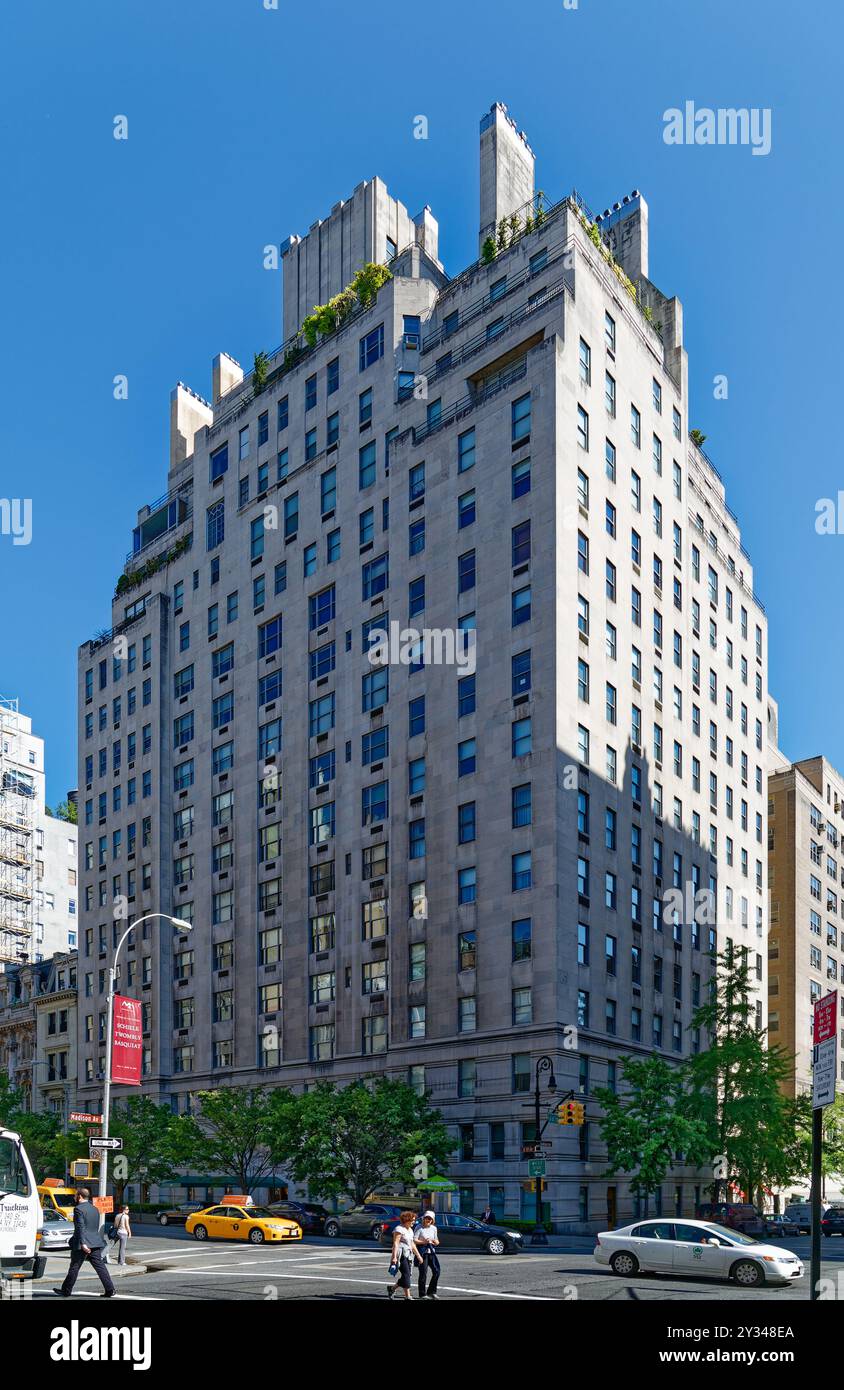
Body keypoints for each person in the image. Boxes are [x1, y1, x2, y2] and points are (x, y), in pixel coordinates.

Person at [54, 1188, 115, 1299]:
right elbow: (93, 1227)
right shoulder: (95, 1209)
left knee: (74, 1267)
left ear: (80, 1196)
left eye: (75, 1195)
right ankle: (110, 1289)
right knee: (100, 1267)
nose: (74, 1197)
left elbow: (80, 1227)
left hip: (82, 1244)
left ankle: (66, 1291)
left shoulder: (78, 1209)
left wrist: (83, 1243)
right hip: (95, 1242)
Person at [387, 1210, 423, 1301]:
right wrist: (394, 1257)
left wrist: (418, 1255)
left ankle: (392, 1289)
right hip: (401, 1255)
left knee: (406, 1276)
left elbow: (412, 1244)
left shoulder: (410, 1230)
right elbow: (395, 1243)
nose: (414, 1222)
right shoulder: (399, 1229)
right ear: (407, 1220)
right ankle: (407, 1296)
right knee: (406, 1275)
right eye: (413, 1220)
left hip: (409, 1255)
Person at [415, 1211, 441, 1300]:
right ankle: (422, 1294)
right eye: (427, 1218)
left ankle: (432, 1292)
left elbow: (437, 1240)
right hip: (422, 1252)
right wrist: (424, 1242)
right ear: (424, 1218)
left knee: (437, 1271)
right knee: (423, 1273)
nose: (428, 1220)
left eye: (430, 1219)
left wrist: (435, 1242)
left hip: (432, 1252)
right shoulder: (419, 1227)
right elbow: (414, 1240)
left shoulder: (434, 1228)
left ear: (433, 1220)